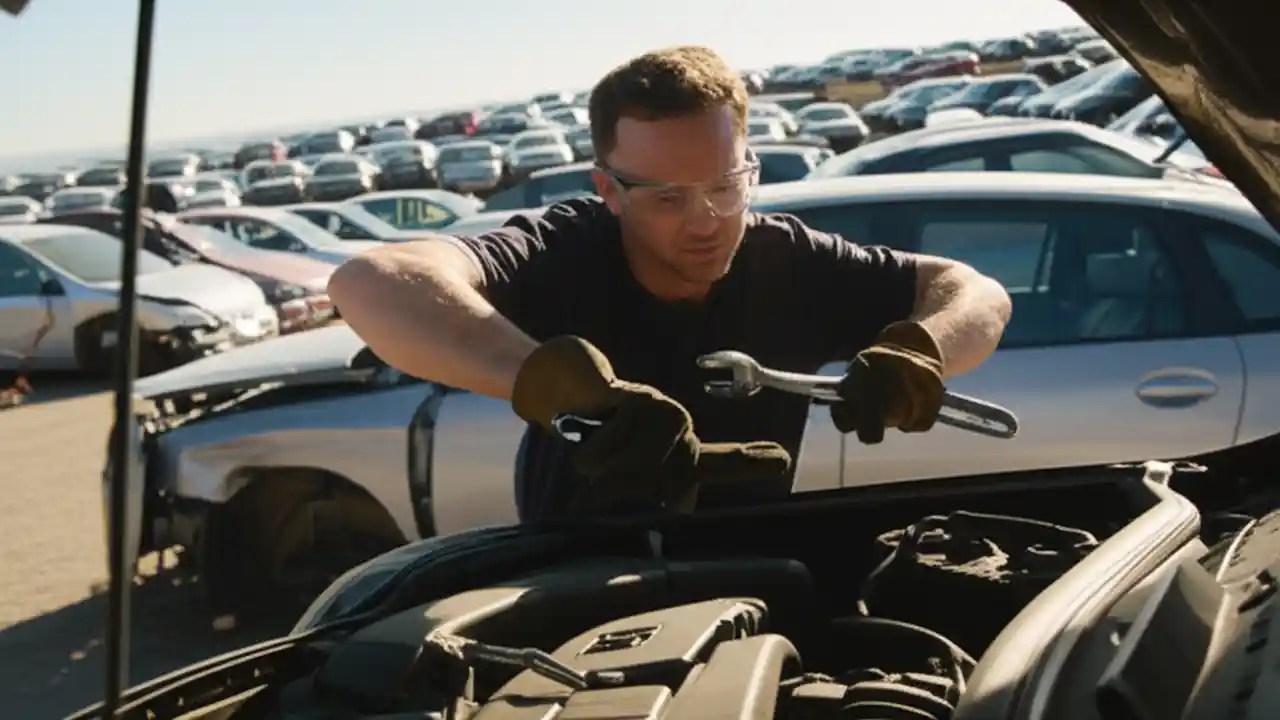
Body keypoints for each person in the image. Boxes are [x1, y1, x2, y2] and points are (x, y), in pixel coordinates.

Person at [329, 45, 1011, 521]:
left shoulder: (792, 263)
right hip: (574, 579)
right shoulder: (565, 252)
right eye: (667, 198)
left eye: (725, 186)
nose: (706, 221)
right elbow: (371, 280)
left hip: (752, 572)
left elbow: (976, 291)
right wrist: (559, 391)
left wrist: (923, 352)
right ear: (610, 191)